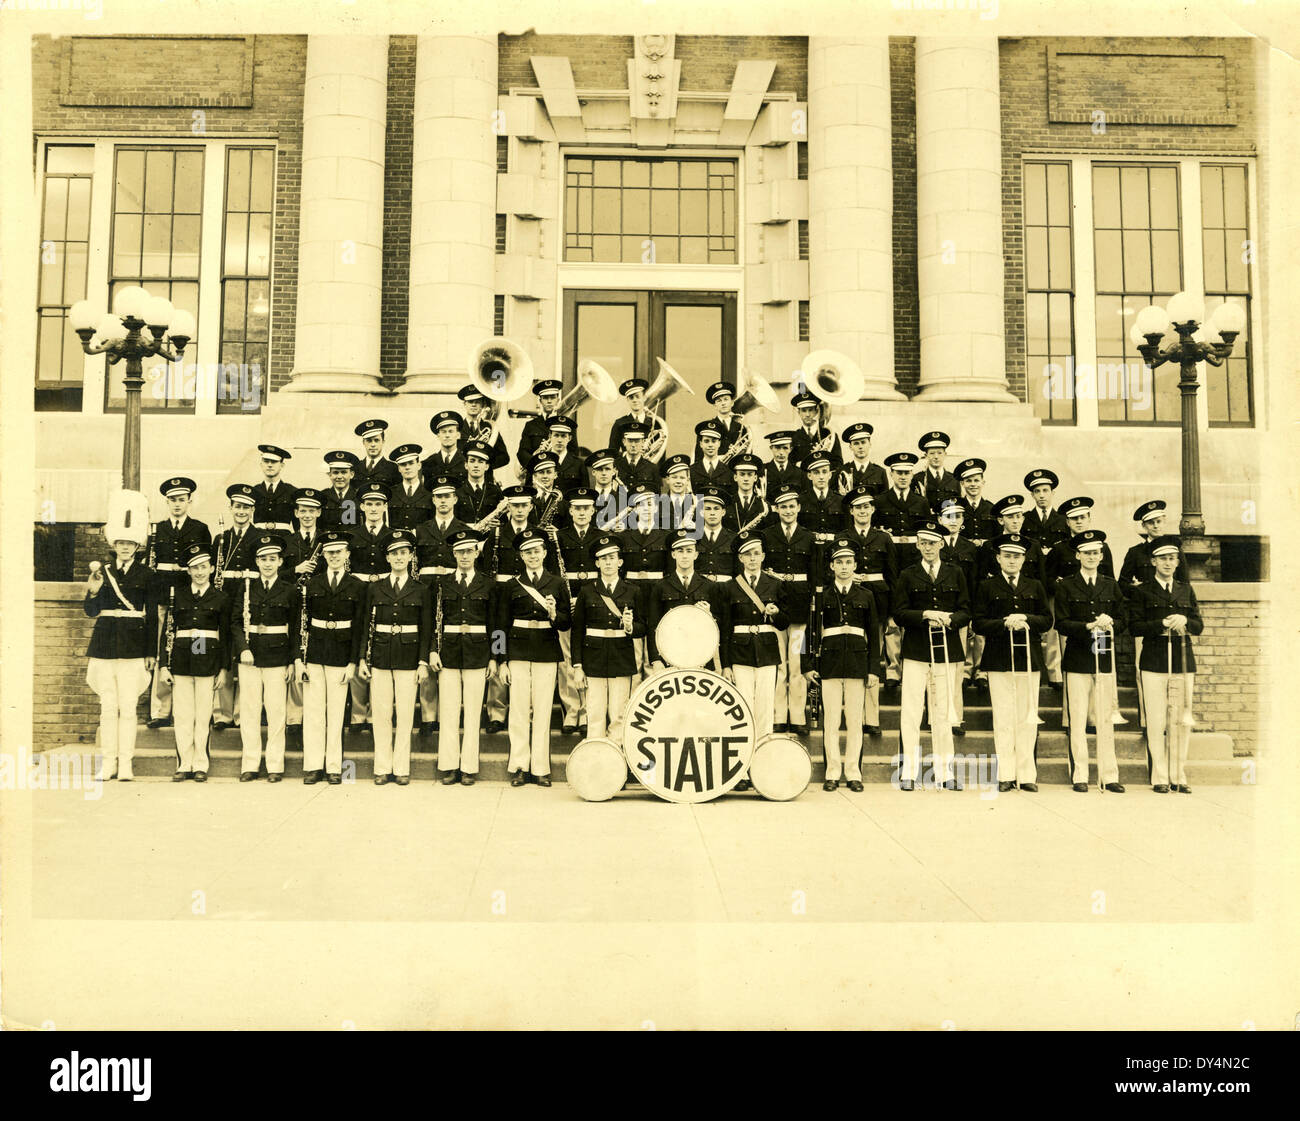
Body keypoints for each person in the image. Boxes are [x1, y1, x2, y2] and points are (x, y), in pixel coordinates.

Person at [892, 519, 969, 791]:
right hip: (916, 651)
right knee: (912, 711)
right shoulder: (907, 574)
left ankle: (944, 772)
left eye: (933, 542)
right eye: (923, 542)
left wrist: (950, 620)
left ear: (941, 544)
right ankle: (909, 773)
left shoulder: (955, 572)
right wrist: (924, 614)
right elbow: (899, 613)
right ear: (917, 544)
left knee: (943, 713)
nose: (928, 547)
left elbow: (965, 610)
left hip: (946, 650)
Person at [973, 533, 1051, 792]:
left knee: (1027, 719)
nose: (1012, 560)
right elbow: (979, 622)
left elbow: (1047, 620)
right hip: (998, 659)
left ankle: (1027, 774)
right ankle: (1006, 773)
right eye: (1007, 556)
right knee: (1004, 718)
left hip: (1029, 659)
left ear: (1024, 559)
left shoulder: (1035, 585)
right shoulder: (987, 586)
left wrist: (1026, 618)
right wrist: (1004, 622)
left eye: (1016, 556)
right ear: (998, 558)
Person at [496, 528, 572, 787]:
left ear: (545, 552)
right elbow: (500, 625)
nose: (533, 556)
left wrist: (553, 614)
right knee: (518, 710)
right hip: (517, 651)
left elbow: (565, 623)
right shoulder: (511, 585)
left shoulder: (557, 583)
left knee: (541, 711)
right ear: (520, 555)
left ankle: (540, 767)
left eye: (536, 551)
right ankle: (519, 765)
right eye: (527, 552)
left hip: (545, 651)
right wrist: (501, 660)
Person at [1054, 529, 1128, 793]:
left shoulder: (1110, 584)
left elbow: (1123, 620)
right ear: (1078, 555)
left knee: (1105, 719)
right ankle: (1080, 774)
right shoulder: (1066, 585)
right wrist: (1088, 626)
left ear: (1101, 555)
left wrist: (1110, 624)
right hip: (1077, 659)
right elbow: (1061, 623)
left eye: (1096, 552)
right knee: (1078, 718)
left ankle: (1109, 775)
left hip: (1103, 657)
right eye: (1086, 553)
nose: (1092, 557)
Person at [83, 512, 156, 782]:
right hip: (103, 646)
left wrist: (151, 652)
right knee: (107, 707)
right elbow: (91, 612)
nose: (125, 547)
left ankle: (125, 764)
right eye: (120, 543)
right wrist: (92, 591)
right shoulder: (102, 572)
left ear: (137, 547)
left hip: (133, 647)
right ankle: (108, 763)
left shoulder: (147, 574)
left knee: (128, 708)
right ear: (114, 546)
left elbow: (151, 617)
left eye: (130, 543)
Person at [357, 528, 433, 786]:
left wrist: (423, 661)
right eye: (394, 554)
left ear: (411, 556)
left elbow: (427, 628)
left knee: (404, 714)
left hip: (409, 658)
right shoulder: (375, 588)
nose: (399, 557)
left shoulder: (421, 589)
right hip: (379, 655)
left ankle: (401, 767)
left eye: (404, 552)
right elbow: (365, 624)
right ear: (387, 558)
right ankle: (382, 767)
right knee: (380, 714)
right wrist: (361, 660)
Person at [1129, 536, 1203, 794]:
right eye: (1162, 558)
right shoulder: (1142, 590)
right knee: (1158, 720)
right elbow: (1134, 626)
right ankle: (1160, 776)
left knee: (1180, 720)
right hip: (1153, 662)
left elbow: (1198, 625)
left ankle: (1178, 774)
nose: (1168, 563)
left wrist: (1185, 619)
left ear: (1177, 561)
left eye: (1172, 558)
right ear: (1153, 562)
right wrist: (1160, 624)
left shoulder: (1185, 589)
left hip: (1183, 662)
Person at [806, 538, 879, 792]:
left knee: (855, 721)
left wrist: (873, 669)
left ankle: (853, 773)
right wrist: (808, 665)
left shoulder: (867, 596)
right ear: (831, 567)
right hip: (830, 664)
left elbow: (874, 634)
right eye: (839, 562)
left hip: (858, 664)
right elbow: (810, 633)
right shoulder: (821, 595)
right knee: (832, 722)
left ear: (855, 565)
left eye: (849, 562)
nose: (844, 567)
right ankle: (832, 772)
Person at [296, 530, 364, 785]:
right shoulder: (311, 584)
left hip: (341, 655)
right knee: (314, 713)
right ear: (323, 555)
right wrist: (300, 659)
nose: (334, 556)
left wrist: (352, 662)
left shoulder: (357, 585)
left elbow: (359, 627)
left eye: (339, 552)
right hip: (314, 653)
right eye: (330, 552)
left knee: (336, 714)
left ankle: (335, 766)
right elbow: (302, 623)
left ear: (347, 554)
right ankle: (313, 766)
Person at [158, 542, 230, 781]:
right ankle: (184, 764)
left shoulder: (221, 597)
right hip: (181, 661)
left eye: (203, 566)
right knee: (183, 714)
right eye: (194, 568)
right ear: (188, 571)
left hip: (207, 662)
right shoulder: (176, 595)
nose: (199, 572)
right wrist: (163, 665)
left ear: (211, 569)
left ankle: (201, 764)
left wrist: (223, 668)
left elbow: (226, 636)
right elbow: (167, 632)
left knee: (203, 714)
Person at [429, 530, 494, 785]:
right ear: (453, 554)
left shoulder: (488, 583)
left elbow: (495, 623)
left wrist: (494, 657)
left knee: (473, 712)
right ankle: (448, 765)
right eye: (460, 551)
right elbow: (434, 620)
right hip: (449, 652)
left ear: (477, 553)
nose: (465, 556)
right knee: (448, 710)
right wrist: (433, 649)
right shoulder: (442, 583)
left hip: (478, 651)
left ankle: (468, 767)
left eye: (469, 550)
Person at [146, 476, 211, 728]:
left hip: (188, 594)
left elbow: (203, 563)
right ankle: (160, 711)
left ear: (189, 501)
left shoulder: (199, 528)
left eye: (181, 499)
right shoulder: (157, 529)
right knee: (164, 648)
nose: (176, 504)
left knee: (191, 646)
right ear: (167, 502)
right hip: (163, 594)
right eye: (172, 500)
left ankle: (190, 708)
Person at [1120, 499, 1188, 731]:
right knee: (1145, 670)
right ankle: (1147, 719)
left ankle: (1173, 720)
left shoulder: (1175, 550)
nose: (1156, 526)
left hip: (1172, 620)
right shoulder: (1135, 553)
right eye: (1151, 523)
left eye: (1159, 521)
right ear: (1144, 526)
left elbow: (1184, 584)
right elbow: (1122, 584)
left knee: (1175, 673)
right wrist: (1137, 590)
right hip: (1147, 619)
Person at [233, 534, 296, 782]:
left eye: (272, 559)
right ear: (256, 562)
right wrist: (242, 649)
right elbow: (235, 622)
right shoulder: (247, 587)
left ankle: (274, 766)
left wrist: (292, 661)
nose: (267, 564)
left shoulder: (289, 589)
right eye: (263, 559)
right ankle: (250, 763)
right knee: (249, 711)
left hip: (278, 656)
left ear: (280, 562)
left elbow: (294, 627)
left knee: (276, 711)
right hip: (249, 656)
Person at [718, 532, 789, 753]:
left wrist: (776, 613)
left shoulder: (775, 585)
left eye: (756, 554)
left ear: (763, 556)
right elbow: (725, 628)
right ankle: (744, 758)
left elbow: (785, 622)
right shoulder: (729, 587)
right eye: (747, 554)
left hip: (767, 651)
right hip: (740, 651)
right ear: (740, 558)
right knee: (743, 705)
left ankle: (763, 757)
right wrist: (726, 664)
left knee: (766, 706)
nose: (752, 558)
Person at [482, 484, 541, 733]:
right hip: (501, 596)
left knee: (524, 653)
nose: (519, 510)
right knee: (499, 644)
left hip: (527, 598)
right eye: (514, 505)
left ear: (531, 507)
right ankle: (496, 711)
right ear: (508, 507)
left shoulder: (538, 535)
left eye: (523, 505)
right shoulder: (497, 534)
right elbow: (486, 571)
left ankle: (526, 710)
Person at [570, 535, 642, 739]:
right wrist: (577, 666)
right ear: (597, 563)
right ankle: (595, 759)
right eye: (603, 558)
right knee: (595, 714)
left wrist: (629, 627)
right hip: (594, 658)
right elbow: (577, 631)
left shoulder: (633, 590)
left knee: (619, 714)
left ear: (620, 562)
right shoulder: (587, 591)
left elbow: (643, 627)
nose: (608, 562)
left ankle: (615, 758)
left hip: (621, 656)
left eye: (612, 557)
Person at [840, 486, 896, 735]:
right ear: (851, 511)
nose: (862, 511)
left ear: (873, 509)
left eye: (866, 507)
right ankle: (852, 715)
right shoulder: (842, 538)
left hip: (879, 606)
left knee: (874, 659)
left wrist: (893, 611)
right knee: (852, 661)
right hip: (850, 605)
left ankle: (871, 718)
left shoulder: (884, 538)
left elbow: (893, 577)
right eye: (858, 507)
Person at [413, 475, 466, 734]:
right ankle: (428, 714)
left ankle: (449, 713)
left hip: (454, 593)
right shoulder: (420, 529)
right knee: (427, 645)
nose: (443, 501)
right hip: (426, 590)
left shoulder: (463, 528)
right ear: (432, 500)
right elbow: (415, 565)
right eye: (439, 497)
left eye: (448, 496)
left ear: (455, 499)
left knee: (447, 649)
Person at [762, 484, 815, 735]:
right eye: (783, 507)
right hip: (776, 606)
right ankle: (778, 715)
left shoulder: (808, 536)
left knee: (797, 662)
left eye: (792, 506)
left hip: (799, 608)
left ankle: (797, 716)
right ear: (776, 509)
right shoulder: (768, 535)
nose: (788, 511)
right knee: (779, 664)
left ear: (799, 508)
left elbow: (814, 574)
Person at [875, 452, 929, 693]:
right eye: (899, 473)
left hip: (914, 562)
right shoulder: (881, 500)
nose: (904, 477)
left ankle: (912, 669)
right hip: (890, 561)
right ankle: (892, 670)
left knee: (912, 617)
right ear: (892, 474)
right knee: (892, 622)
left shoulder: (921, 502)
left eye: (908, 473)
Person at [212, 483, 258, 731]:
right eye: (237, 506)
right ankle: (222, 713)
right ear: (230, 508)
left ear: (253, 510)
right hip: (225, 596)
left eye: (246, 507)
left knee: (244, 650)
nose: (241, 511)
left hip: (248, 597)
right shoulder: (221, 538)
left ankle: (242, 713)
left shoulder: (260, 537)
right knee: (223, 651)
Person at [346, 481, 392, 733]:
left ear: (385, 507)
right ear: (361, 507)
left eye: (378, 504)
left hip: (385, 595)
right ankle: (357, 713)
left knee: (379, 648)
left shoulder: (393, 535)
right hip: (359, 594)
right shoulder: (353, 536)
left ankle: (377, 712)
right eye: (369, 504)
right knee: (358, 647)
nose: (373, 508)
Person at [554, 488, 600, 735]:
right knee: (566, 660)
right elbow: (555, 575)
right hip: (567, 601)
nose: (582, 513)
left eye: (586, 508)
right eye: (577, 508)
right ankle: (571, 711)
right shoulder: (558, 537)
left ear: (593, 511)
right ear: (570, 511)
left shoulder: (601, 536)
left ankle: (587, 712)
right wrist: (566, 600)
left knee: (588, 659)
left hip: (593, 602)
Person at [1023, 468, 1069, 689]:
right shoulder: (1024, 519)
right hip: (1032, 580)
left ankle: (1055, 674)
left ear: (1052, 492)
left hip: (1054, 581)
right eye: (1037, 491)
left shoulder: (1063, 520)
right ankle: (1033, 671)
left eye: (1045, 490)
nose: (1041, 495)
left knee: (1052, 630)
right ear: (1032, 495)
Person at [647, 528, 718, 670]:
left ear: (696, 554)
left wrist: (709, 615)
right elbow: (653, 625)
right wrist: (656, 660)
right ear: (673, 554)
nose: (684, 556)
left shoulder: (709, 586)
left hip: (701, 655)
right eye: (680, 551)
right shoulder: (660, 586)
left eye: (689, 551)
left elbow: (722, 622)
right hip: (670, 655)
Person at [457, 383, 511, 473]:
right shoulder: (457, 428)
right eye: (470, 402)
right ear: (464, 404)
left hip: (485, 478)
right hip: (462, 478)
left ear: (482, 404)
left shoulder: (490, 428)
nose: (473, 405)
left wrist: (485, 466)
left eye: (477, 402)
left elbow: (504, 457)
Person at [455, 440, 506, 529]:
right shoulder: (457, 490)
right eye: (472, 461)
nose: (476, 465)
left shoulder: (495, 491)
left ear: (487, 466)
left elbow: (504, 522)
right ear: (466, 465)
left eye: (480, 462)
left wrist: (498, 523)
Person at [609, 377, 666, 456]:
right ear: (627, 400)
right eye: (631, 397)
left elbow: (659, 451)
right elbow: (612, 453)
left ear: (644, 398)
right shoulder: (619, 424)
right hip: (626, 467)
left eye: (637, 396)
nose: (634, 400)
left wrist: (651, 448)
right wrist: (625, 454)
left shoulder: (655, 423)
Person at [516, 379, 565, 468]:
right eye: (545, 397)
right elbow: (522, 453)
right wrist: (535, 457)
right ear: (540, 400)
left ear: (558, 400)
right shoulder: (530, 425)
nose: (549, 401)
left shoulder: (566, 425)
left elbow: (573, 453)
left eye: (552, 397)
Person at [694, 487, 736, 588]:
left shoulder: (733, 538)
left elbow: (738, 574)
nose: (712, 513)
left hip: (726, 589)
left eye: (716, 509)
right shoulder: (693, 537)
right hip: (699, 589)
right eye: (707, 509)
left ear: (723, 512)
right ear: (701, 512)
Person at [790, 390, 842, 469]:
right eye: (804, 411)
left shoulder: (829, 435)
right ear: (799, 413)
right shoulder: (794, 437)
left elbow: (839, 463)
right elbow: (789, 464)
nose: (807, 414)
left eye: (810, 410)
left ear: (816, 411)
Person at [388, 444, 433, 530]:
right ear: (399, 468)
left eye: (411, 463)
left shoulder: (429, 493)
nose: (407, 467)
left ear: (419, 465)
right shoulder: (391, 493)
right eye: (403, 464)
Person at [722, 454, 769, 534]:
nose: (746, 479)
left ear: (755, 478)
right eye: (742, 474)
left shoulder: (764, 505)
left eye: (750, 474)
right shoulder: (727, 503)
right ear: (735, 477)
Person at [838, 422, 887, 496]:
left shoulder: (880, 472)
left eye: (863, 442)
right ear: (850, 447)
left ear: (870, 444)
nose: (860, 447)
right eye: (856, 443)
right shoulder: (842, 471)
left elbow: (885, 502)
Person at [916, 431, 959, 515]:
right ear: (926, 455)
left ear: (945, 454)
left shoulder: (955, 479)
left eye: (939, 453)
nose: (936, 457)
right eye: (932, 453)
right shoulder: (917, 479)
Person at [698, 380, 746, 456]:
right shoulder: (706, 428)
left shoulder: (741, 428)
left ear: (732, 403)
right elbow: (699, 458)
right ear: (715, 406)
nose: (723, 403)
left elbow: (748, 453)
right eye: (719, 401)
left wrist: (740, 452)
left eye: (726, 399)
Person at [421, 412, 467, 489]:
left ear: (458, 435)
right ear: (438, 436)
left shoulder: (466, 460)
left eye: (451, 431)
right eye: (443, 432)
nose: (447, 435)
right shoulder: (428, 462)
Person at [355, 419, 401, 491]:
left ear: (383, 442)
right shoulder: (355, 467)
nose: (373, 445)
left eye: (376, 440)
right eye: (369, 440)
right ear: (363, 442)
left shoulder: (393, 468)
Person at [321, 450, 362, 532]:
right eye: (335, 472)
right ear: (330, 475)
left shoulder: (359, 497)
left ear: (351, 474)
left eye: (343, 472)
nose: (339, 477)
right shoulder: (323, 497)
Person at [690, 419, 733, 494]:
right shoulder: (691, 471)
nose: (710, 445)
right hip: (699, 506)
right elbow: (689, 499)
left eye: (714, 441)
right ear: (701, 444)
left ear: (719, 443)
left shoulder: (729, 472)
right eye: (706, 441)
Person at [614, 422, 659, 494]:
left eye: (637, 441)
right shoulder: (615, 465)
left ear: (643, 442)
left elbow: (657, 496)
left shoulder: (652, 468)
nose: (633, 445)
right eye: (630, 441)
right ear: (624, 442)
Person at [661, 454, 699, 529]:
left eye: (682, 478)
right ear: (667, 480)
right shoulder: (658, 504)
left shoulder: (696, 503)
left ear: (687, 480)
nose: (678, 481)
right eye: (674, 477)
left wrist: (697, 528)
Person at [763, 431, 803, 497]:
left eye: (785, 448)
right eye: (777, 448)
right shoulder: (763, 470)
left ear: (791, 449)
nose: (781, 452)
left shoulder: (799, 472)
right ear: (771, 448)